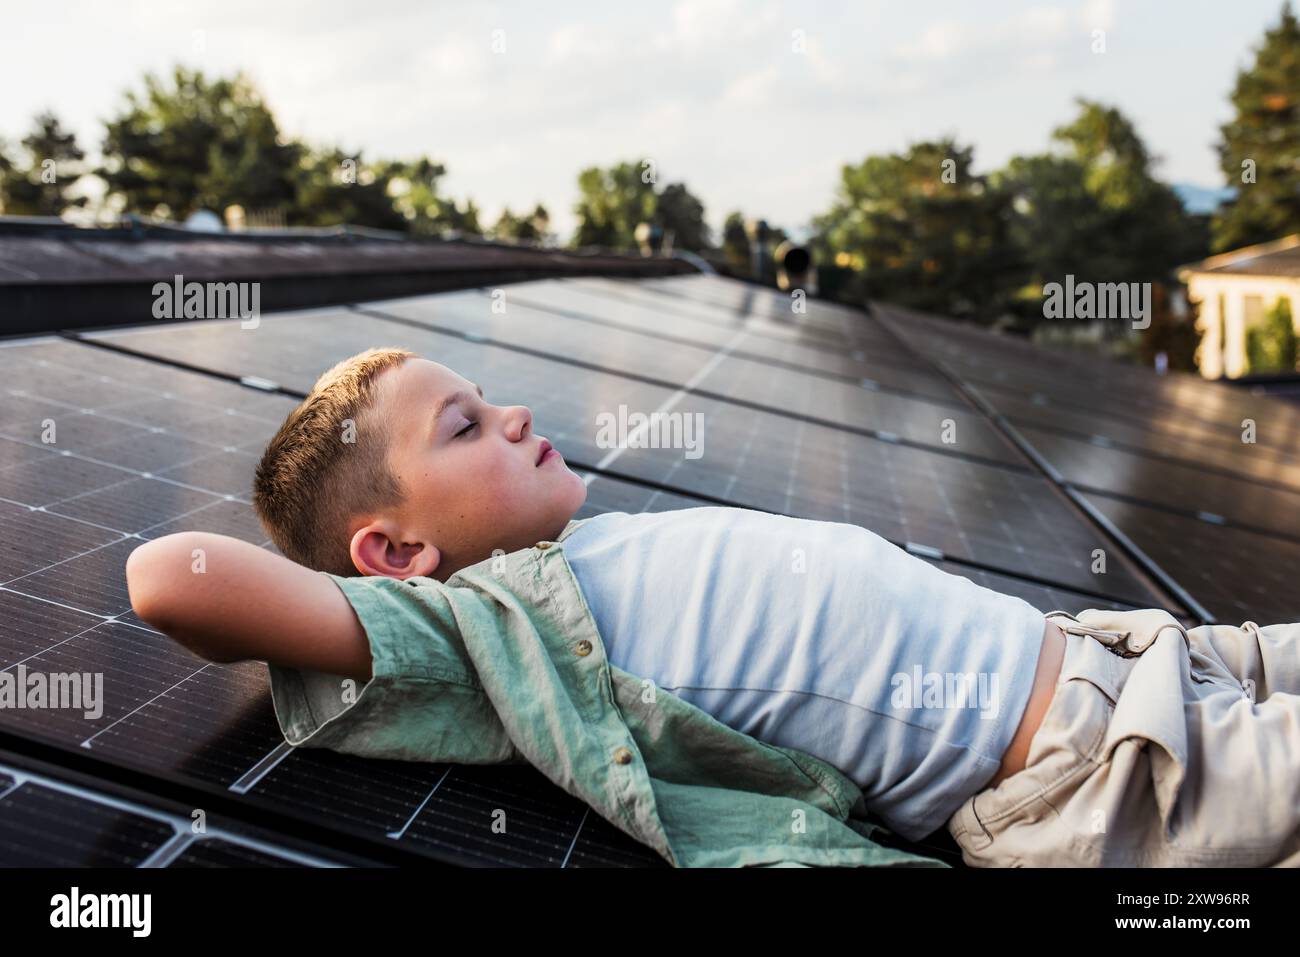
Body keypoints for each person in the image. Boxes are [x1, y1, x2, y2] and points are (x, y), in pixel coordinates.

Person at [124, 347, 1300, 867]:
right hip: (1100, 770)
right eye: (464, 428)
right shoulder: (494, 626)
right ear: (397, 551)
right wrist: (353, 600)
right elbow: (171, 578)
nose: (515, 416)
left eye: (487, 398)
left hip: (1139, 656)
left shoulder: (600, 542)